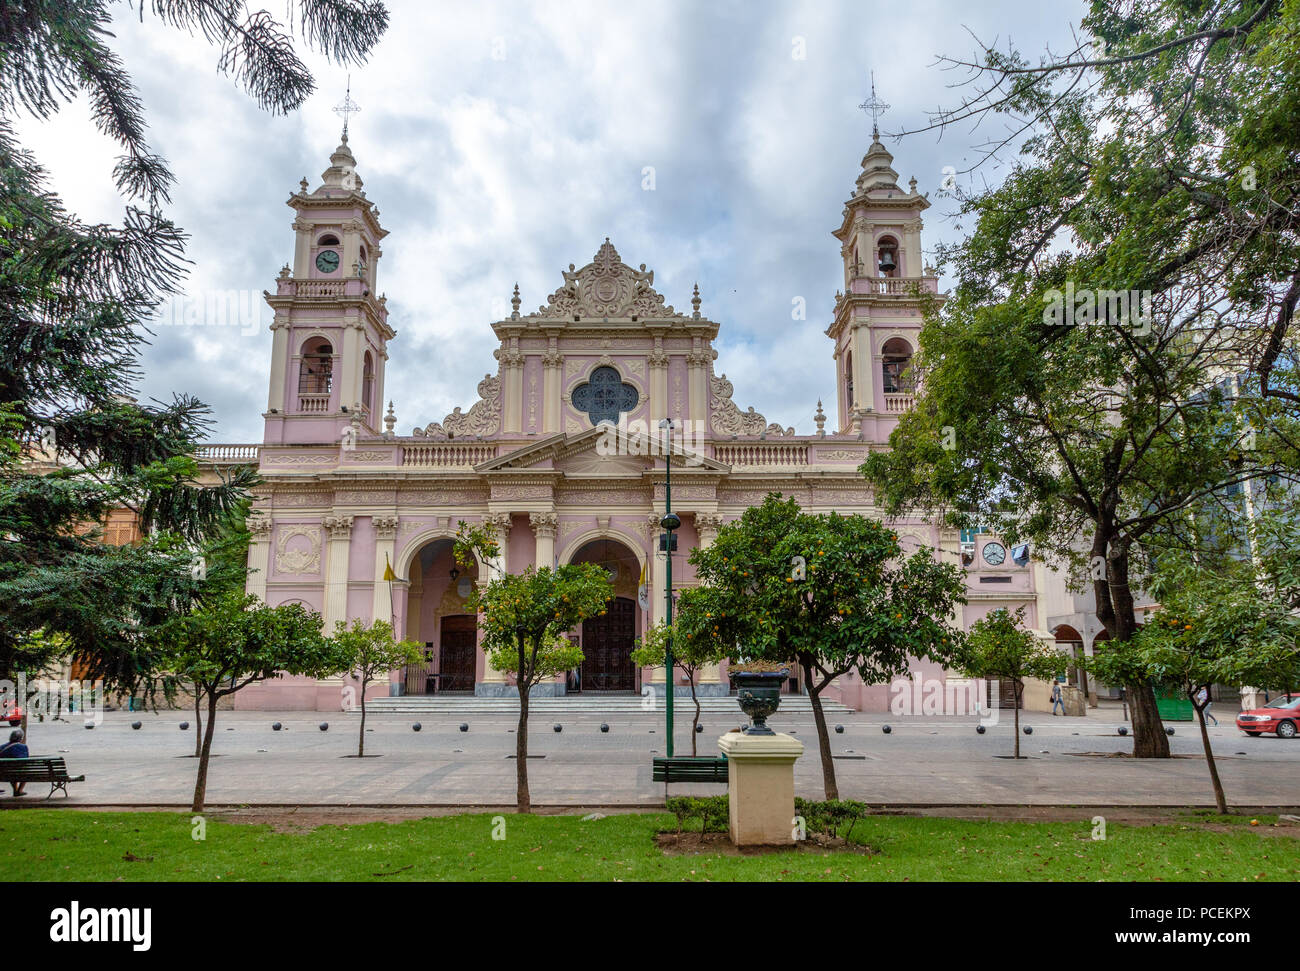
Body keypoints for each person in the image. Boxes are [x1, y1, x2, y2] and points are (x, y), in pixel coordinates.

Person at [0, 729, 29, 796]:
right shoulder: (23, 747)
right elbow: (25, 760)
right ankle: (19, 790)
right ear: (20, 738)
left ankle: (15, 790)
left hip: (4, 773)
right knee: (24, 772)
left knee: (11, 772)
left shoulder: (2, 747)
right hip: (18, 772)